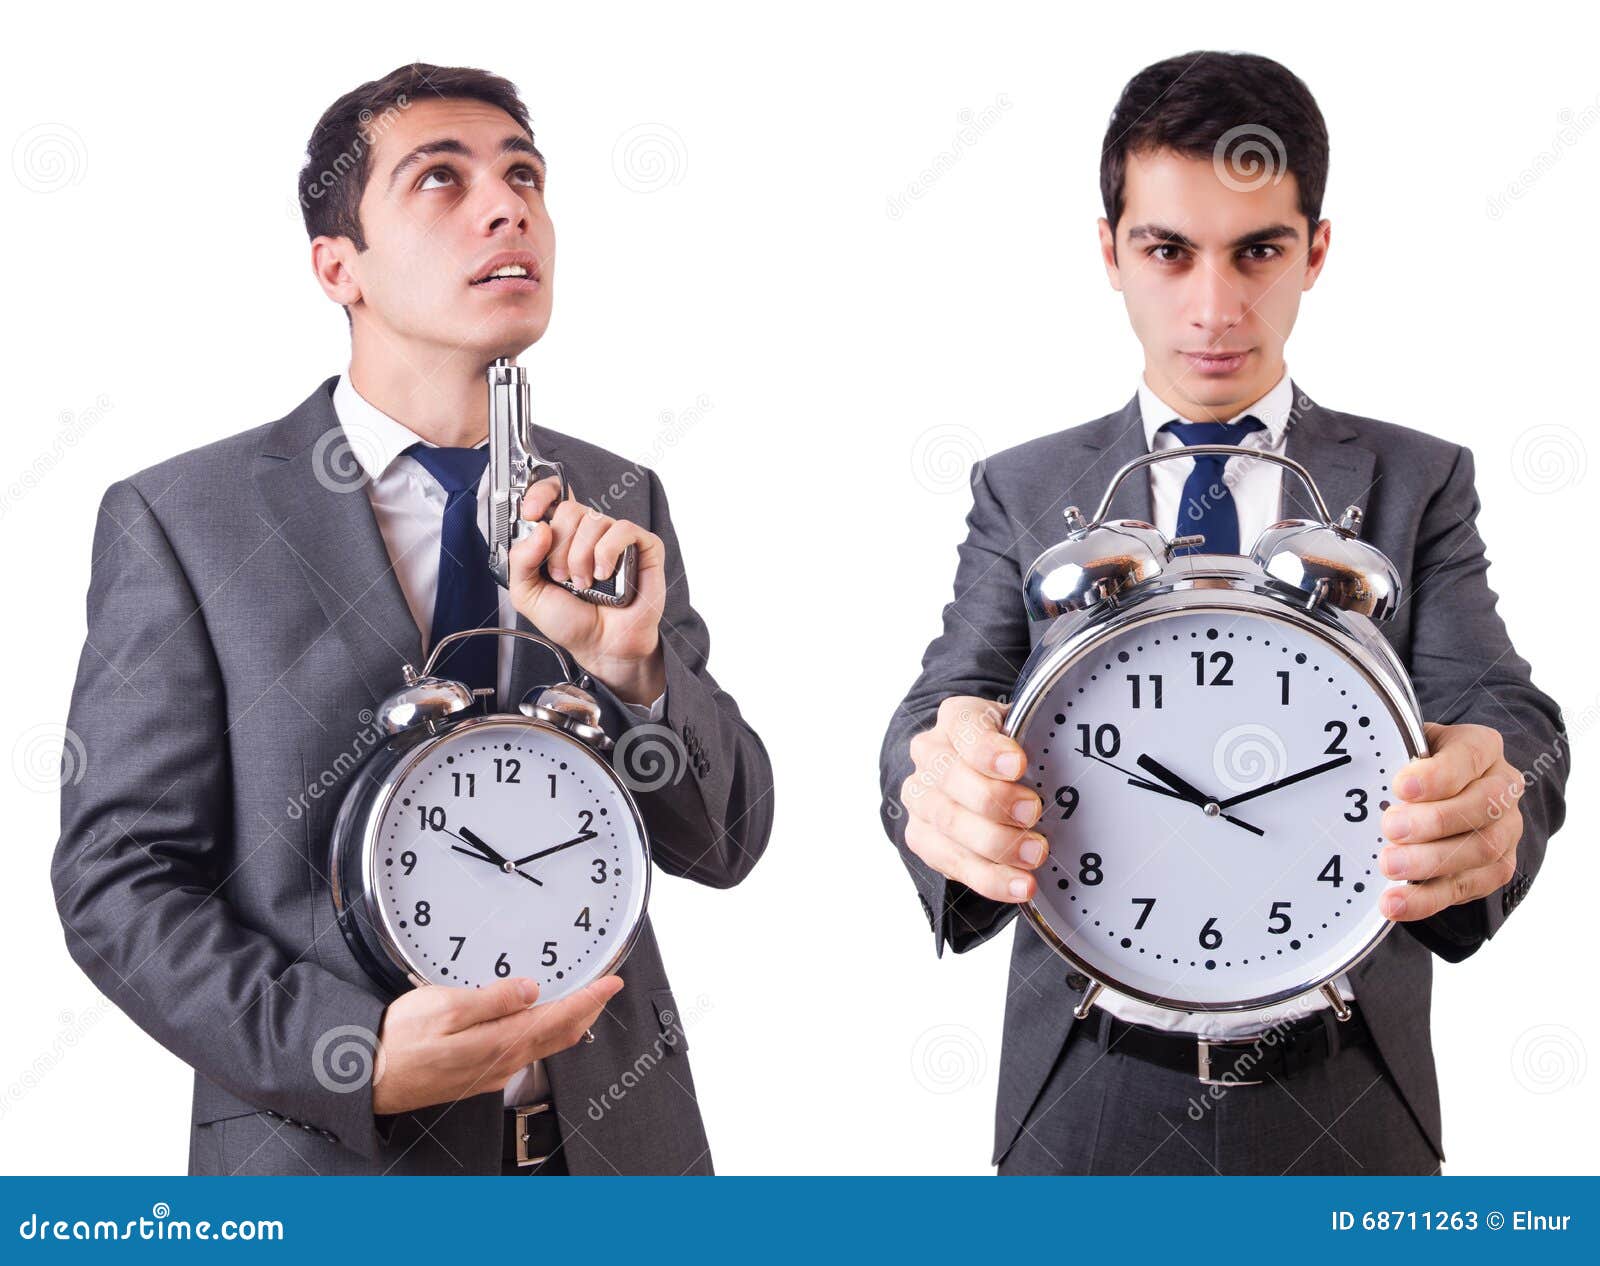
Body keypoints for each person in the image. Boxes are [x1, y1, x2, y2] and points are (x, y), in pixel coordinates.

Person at [52, 63, 774, 1176]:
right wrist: (351, 1053)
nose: (508, 206)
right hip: (337, 1176)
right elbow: (121, 879)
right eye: (441, 179)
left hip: (618, 1162)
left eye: (524, 175)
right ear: (338, 267)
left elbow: (720, 842)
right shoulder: (184, 519)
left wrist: (633, 680)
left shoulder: (613, 499)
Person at [878, 50, 1568, 1175]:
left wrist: (1497, 786)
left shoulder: (1416, 479)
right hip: (1084, 1091)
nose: (1213, 308)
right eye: (1166, 251)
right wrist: (935, 771)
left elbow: (1500, 705)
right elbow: (943, 696)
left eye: (1257, 251)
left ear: (1316, 251)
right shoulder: (1022, 485)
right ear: (1109, 252)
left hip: (1348, 1092)